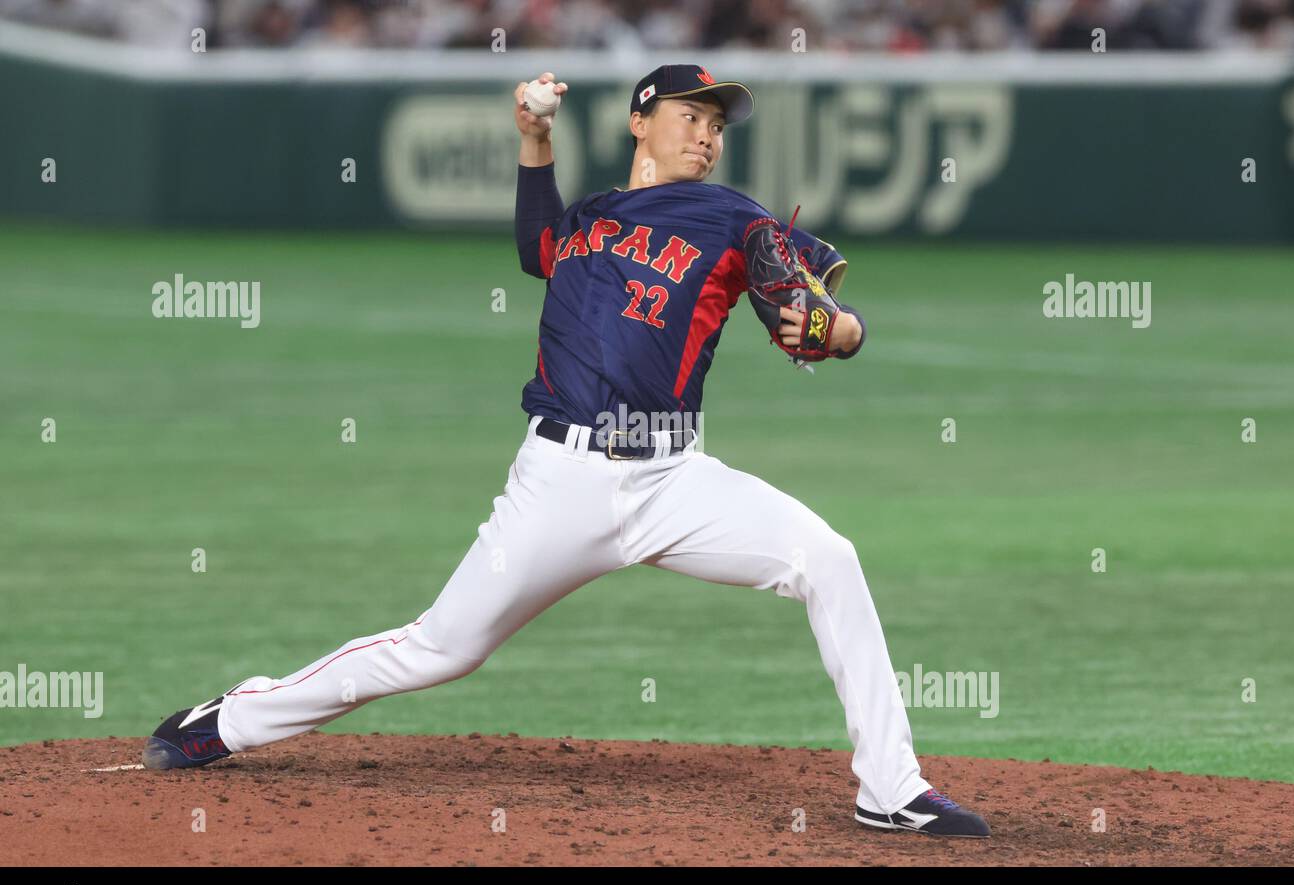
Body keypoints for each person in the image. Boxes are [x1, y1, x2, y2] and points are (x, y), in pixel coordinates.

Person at [142, 64, 990, 839]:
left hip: (675, 480)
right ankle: (232, 719)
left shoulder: (735, 216)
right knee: (442, 648)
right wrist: (534, 138)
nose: (706, 133)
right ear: (639, 121)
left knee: (828, 559)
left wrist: (841, 332)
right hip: (560, 480)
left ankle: (891, 789)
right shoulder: (588, 220)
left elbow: (822, 302)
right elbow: (532, 245)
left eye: (717, 124)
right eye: (691, 115)